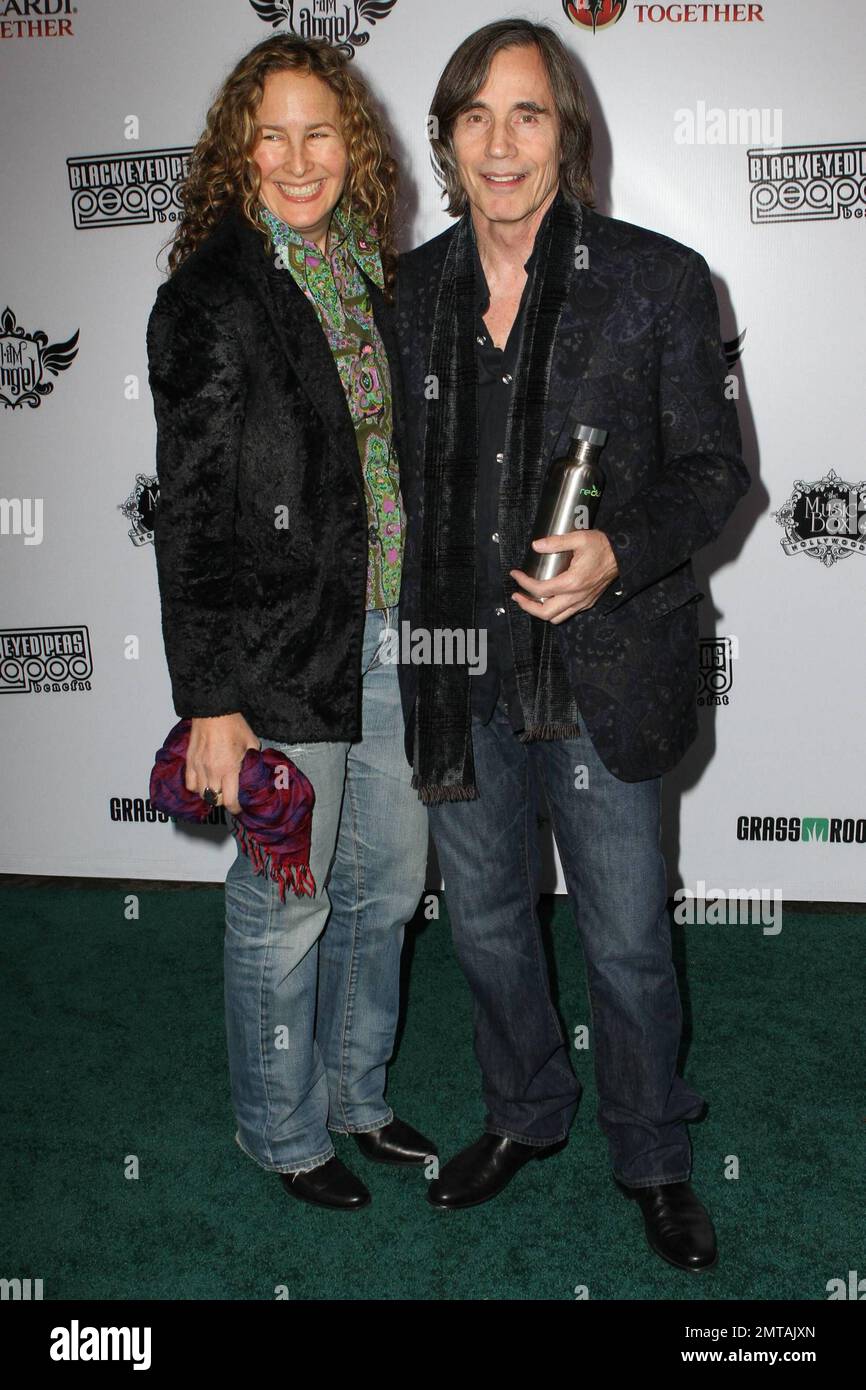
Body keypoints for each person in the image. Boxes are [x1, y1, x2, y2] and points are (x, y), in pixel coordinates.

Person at [394, 19, 750, 1270]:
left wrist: (617, 551)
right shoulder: (409, 296)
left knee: (625, 940)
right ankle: (524, 1114)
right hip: (460, 676)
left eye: (527, 114)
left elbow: (714, 474)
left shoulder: (655, 280)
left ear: (567, 135)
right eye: (474, 116)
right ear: (444, 137)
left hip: (605, 674)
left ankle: (650, 1153)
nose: (500, 143)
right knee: (485, 923)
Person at [146, 34, 433, 1212]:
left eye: (321, 131)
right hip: (274, 657)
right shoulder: (210, 296)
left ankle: (356, 1094)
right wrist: (209, 699)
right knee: (288, 897)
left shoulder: (372, 271)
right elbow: (190, 515)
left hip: (392, 636)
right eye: (273, 134)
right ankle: (280, 1127)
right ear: (238, 150)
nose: (299, 156)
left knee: (387, 879)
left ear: (350, 146)